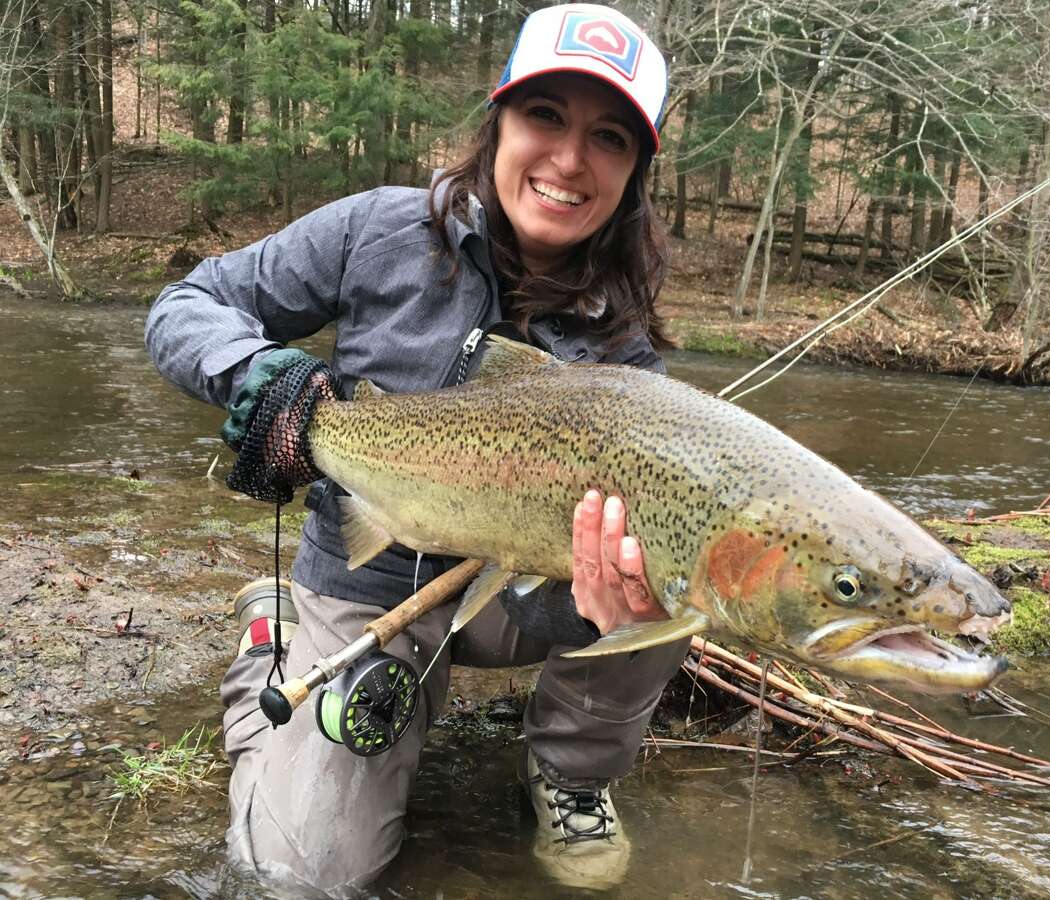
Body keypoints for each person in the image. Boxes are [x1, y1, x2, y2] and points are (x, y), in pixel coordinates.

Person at [145, 3, 688, 896]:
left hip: (509, 596)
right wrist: (255, 374)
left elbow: (593, 597)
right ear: (498, 122)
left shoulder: (626, 355)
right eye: (544, 116)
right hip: (367, 582)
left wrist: (613, 609)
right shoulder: (378, 230)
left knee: (673, 578)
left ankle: (570, 774)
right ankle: (272, 641)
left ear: (634, 173)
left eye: (609, 138)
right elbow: (186, 305)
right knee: (306, 873)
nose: (568, 160)